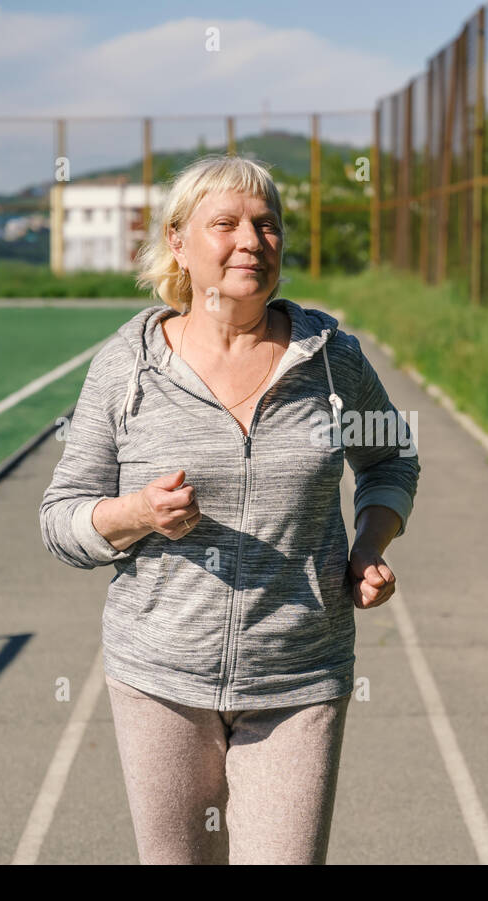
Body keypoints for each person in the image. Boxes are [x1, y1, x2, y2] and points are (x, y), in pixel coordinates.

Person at [38, 154, 420, 864]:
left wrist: (371, 542)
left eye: (267, 224)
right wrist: (136, 515)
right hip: (160, 677)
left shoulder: (332, 359)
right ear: (179, 241)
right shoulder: (128, 366)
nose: (252, 240)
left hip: (299, 676)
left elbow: (392, 458)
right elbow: (62, 519)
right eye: (227, 223)